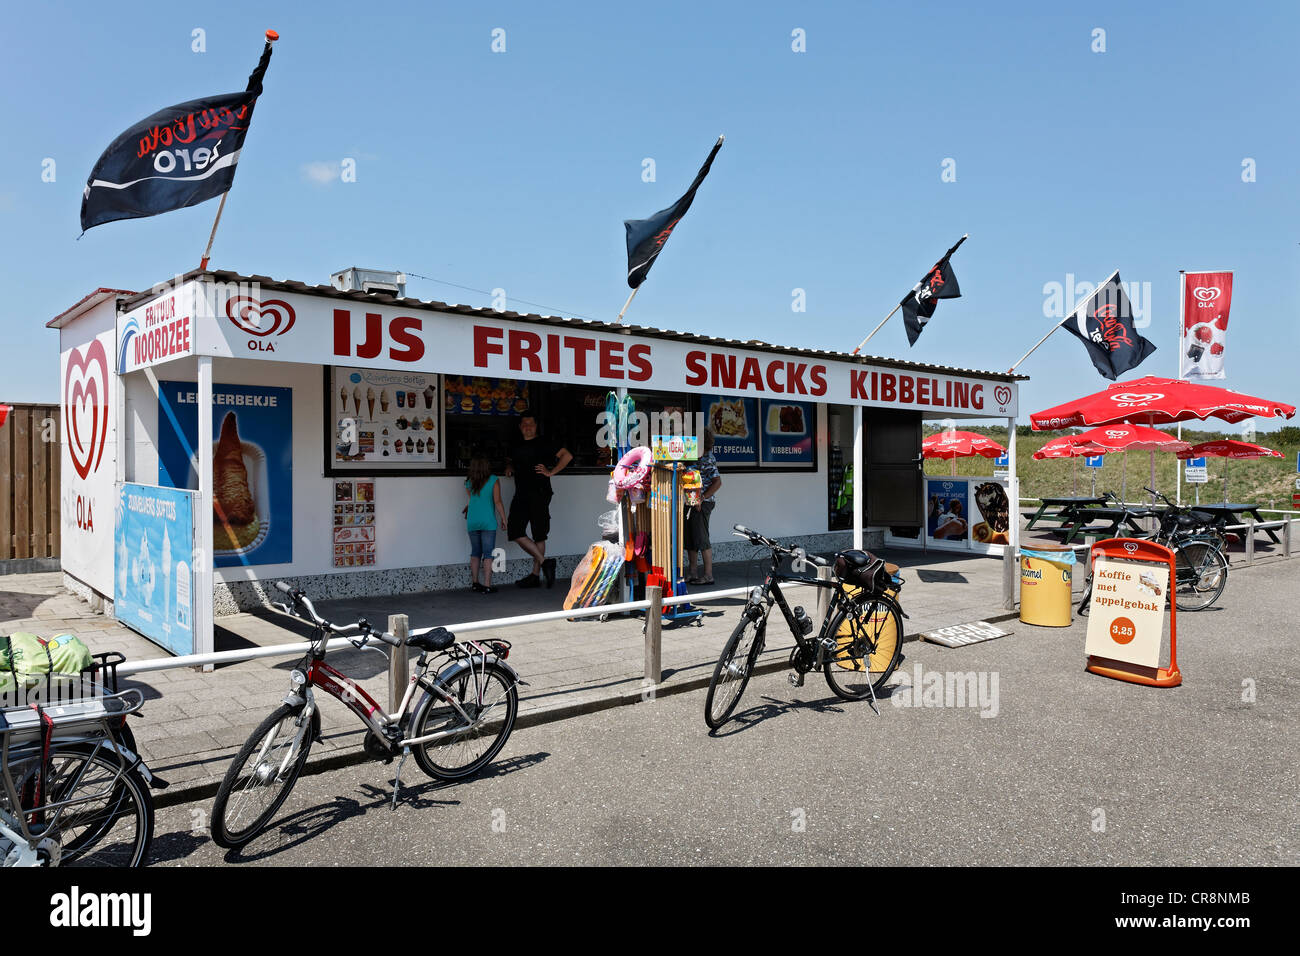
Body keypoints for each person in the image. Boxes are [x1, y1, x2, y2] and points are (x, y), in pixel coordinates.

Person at [505, 411, 572, 588]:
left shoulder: (545, 443)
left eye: (531, 424)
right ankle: (545, 562)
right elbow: (510, 460)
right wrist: (509, 467)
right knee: (515, 530)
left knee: (539, 534)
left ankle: (535, 575)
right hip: (521, 493)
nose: (528, 427)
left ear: (536, 426)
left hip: (540, 493)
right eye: (524, 424)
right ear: (520, 427)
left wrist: (551, 472)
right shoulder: (515, 443)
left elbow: (567, 456)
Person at [464, 456, 507, 593]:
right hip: (487, 521)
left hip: (472, 520)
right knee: (488, 554)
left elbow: (472, 500)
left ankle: (475, 583)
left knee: (475, 552)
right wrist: (504, 518)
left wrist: (467, 507)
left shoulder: (469, 481)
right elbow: (498, 502)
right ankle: (487, 585)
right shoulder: (493, 480)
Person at [685, 428, 722, 585]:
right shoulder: (692, 456)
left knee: (701, 538)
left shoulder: (707, 458)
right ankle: (693, 572)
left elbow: (718, 482)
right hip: (690, 501)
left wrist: (702, 498)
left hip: (703, 502)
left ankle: (708, 575)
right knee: (691, 538)